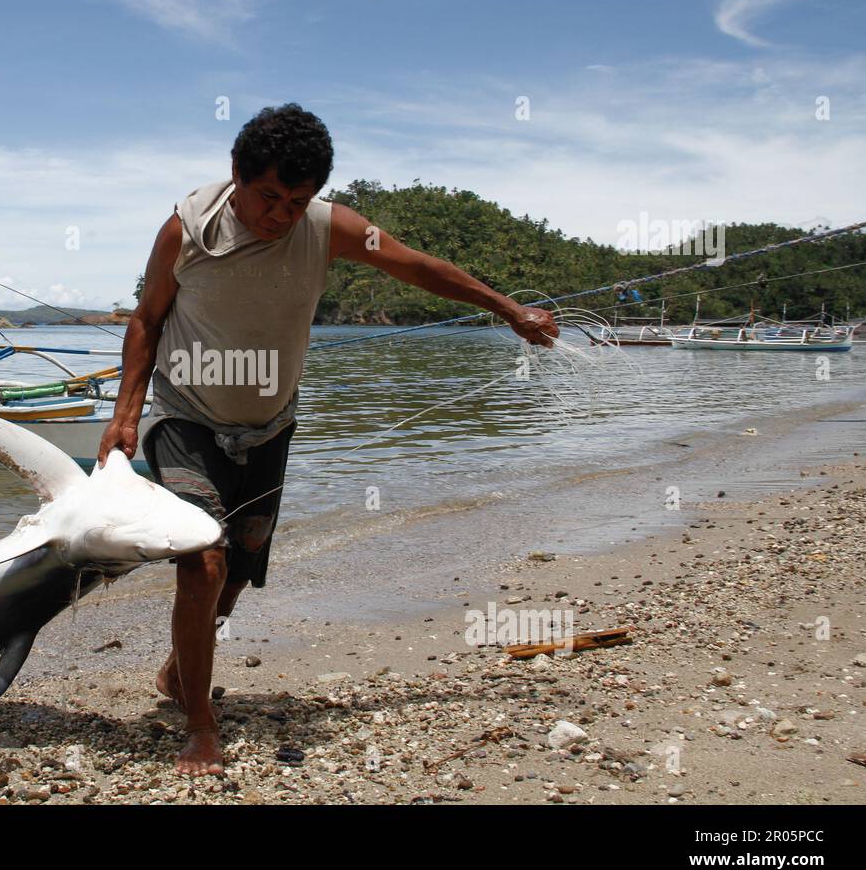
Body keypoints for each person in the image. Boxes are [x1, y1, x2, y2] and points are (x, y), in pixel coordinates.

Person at [97, 103, 559, 776]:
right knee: (202, 562)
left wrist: (508, 310)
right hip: (185, 414)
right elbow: (146, 319)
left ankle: (180, 671)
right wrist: (125, 414)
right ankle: (200, 726)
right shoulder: (185, 232)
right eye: (269, 197)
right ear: (236, 175)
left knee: (236, 576)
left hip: (270, 424)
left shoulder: (328, 227)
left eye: (296, 201)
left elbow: (417, 265)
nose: (281, 215)